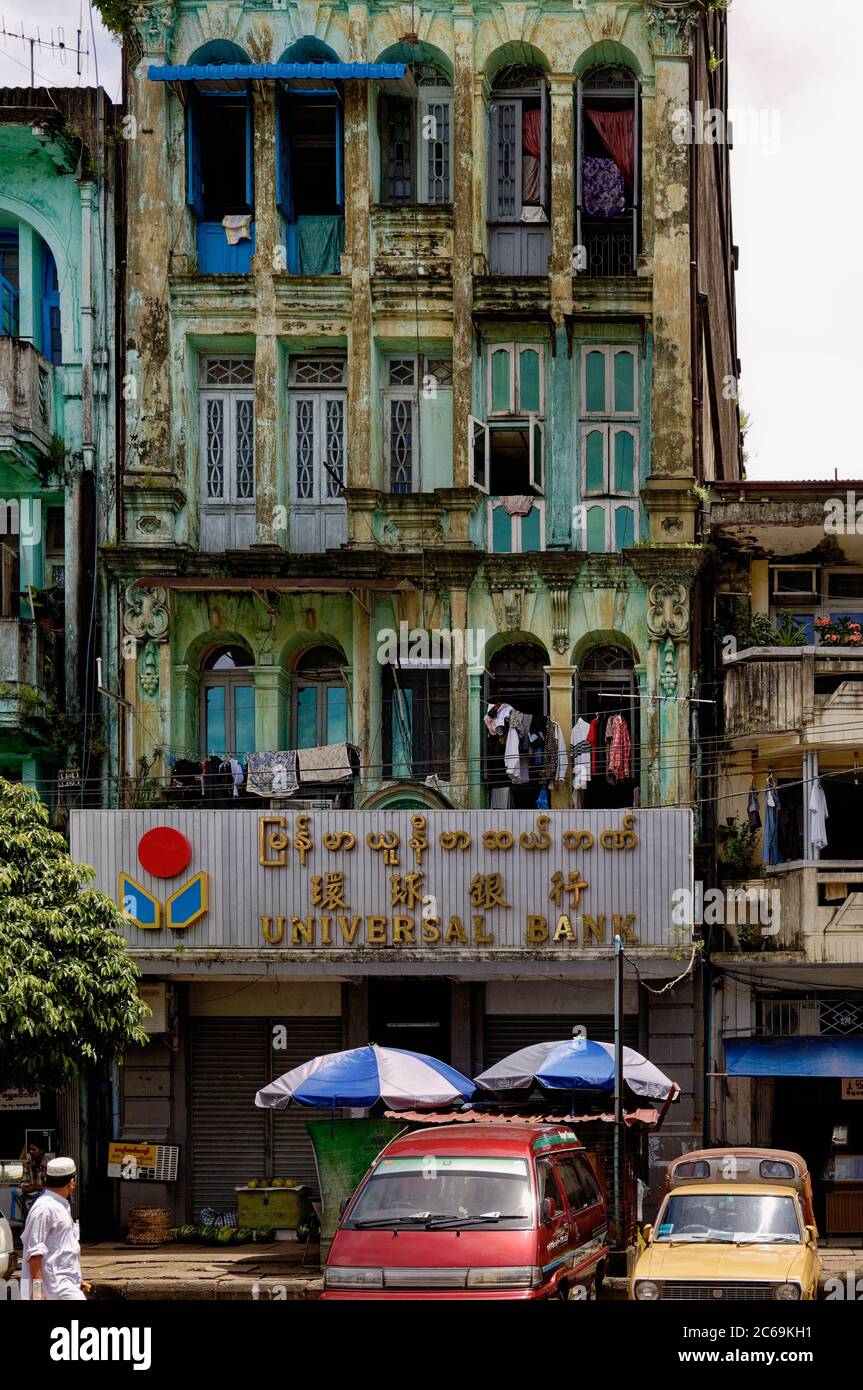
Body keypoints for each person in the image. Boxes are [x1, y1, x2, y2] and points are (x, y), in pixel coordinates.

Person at [21, 1157, 91, 1301]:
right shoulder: (44, 1209)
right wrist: (37, 1292)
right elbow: (34, 1253)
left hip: (66, 1284)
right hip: (55, 1287)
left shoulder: (61, 1205)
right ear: (72, 1182)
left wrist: (77, 1280)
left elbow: (63, 1248)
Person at [19, 1133, 49, 1214]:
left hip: (47, 1194)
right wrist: (25, 1186)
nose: (31, 1152)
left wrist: (36, 1187)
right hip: (32, 1194)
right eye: (30, 1150)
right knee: (16, 1192)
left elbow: (53, 1186)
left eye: (34, 1149)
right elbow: (23, 1181)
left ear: (42, 1151)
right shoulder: (27, 1164)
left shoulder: (50, 1164)